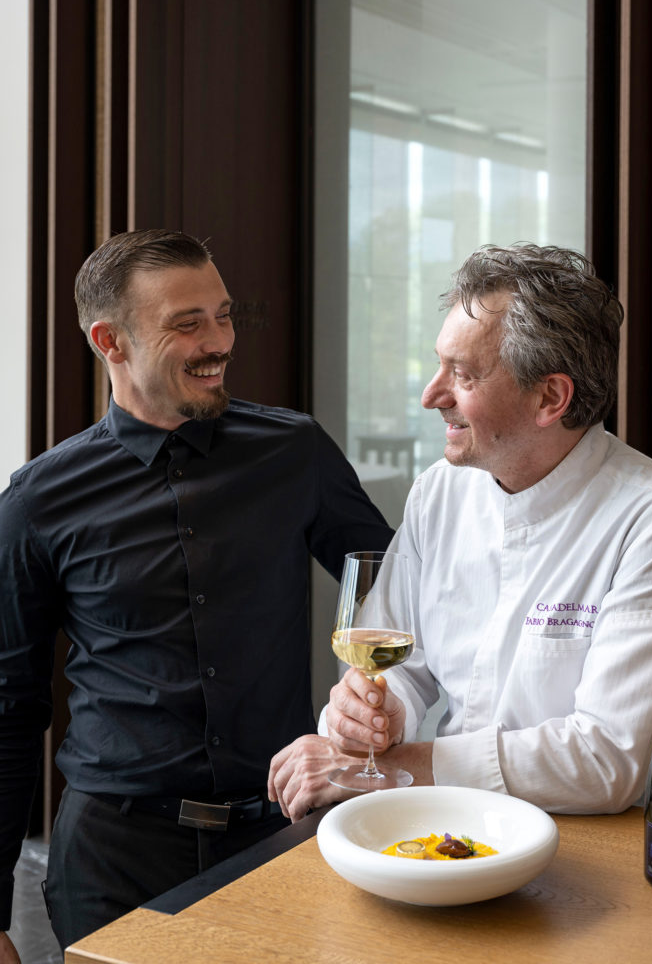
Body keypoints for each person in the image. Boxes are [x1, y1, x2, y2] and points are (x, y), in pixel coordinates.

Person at [0, 229, 393, 959]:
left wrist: (373, 717)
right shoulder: (37, 500)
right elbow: (8, 705)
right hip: (112, 856)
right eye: (188, 323)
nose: (219, 341)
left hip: (280, 834)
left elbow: (397, 594)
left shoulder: (295, 453)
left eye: (223, 314)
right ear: (110, 340)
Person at [268, 243, 652, 823]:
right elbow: (396, 669)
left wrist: (391, 771)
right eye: (438, 365)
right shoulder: (438, 492)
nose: (431, 395)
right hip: (450, 827)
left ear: (550, 397)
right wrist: (368, 716)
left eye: (461, 375)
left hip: (602, 846)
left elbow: (606, 759)